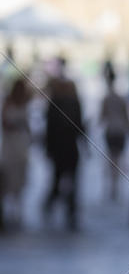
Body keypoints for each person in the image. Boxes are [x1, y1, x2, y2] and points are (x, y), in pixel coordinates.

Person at [42, 59, 84, 230]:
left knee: (59, 179)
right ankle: (65, 209)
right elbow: (79, 127)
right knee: (65, 180)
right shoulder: (63, 104)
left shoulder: (58, 104)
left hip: (63, 148)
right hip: (67, 148)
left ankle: (59, 206)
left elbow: (50, 129)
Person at [0, 77, 32, 230]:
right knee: (9, 178)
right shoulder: (8, 103)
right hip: (10, 147)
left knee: (20, 179)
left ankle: (17, 209)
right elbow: (5, 124)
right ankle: (10, 209)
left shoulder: (25, 103)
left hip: (21, 146)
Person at [99, 70, 129, 200]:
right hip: (120, 130)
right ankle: (116, 186)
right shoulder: (121, 98)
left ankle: (113, 186)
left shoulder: (106, 98)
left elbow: (102, 116)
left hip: (111, 130)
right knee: (118, 159)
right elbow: (126, 116)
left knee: (112, 159)